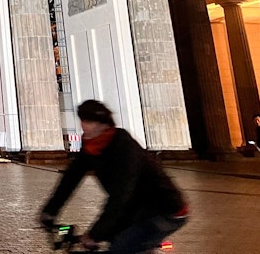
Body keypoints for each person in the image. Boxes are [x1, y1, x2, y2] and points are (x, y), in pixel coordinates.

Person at [39, 100, 188, 253]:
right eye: (83, 120)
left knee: (121, 247)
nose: (84, 126)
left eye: (89, 121)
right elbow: (70, 179)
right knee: (116, 239)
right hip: (135, 210)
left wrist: (95, 234)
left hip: (164, 209)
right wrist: (50, 211)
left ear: (103, 124)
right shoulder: (91, 145)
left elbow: (121, 196)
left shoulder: (124, 146)